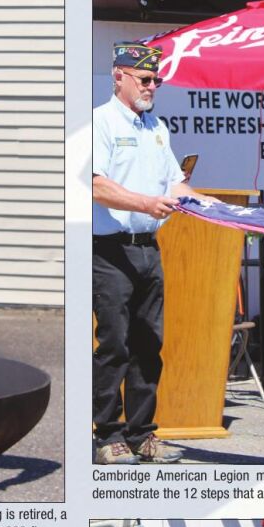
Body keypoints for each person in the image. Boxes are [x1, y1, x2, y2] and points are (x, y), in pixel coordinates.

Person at [92, 43, 209, 467]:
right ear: (119, 76)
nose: (152, 86)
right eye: (144, 79)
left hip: (148, 250)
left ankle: (142, 433)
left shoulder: (157, 127)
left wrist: (213, 208)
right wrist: (145, 204)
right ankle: (107, 435)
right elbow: (96, 184)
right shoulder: (99, 122)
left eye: (155, 79)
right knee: (114, 345)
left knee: (148, 344)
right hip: (110, 250)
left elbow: (176, 185)